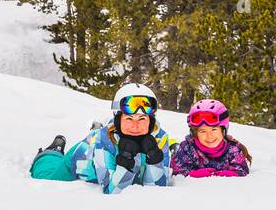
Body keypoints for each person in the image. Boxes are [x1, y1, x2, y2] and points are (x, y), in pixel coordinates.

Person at [28, 83, 173, 194]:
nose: (135, 126)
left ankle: (95, 128)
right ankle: (52, 152)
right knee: (47, 176)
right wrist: (126, 162)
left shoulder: (159, 139)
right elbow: (113, 191)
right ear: (117, 119)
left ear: (151, 121)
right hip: (81, 157)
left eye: (142, 119)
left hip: (97, 141)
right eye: (129, 118)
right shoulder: (104, 141)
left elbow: (156, 191)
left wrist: (155, 161)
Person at [170, 98, 251, 178]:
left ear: (223, 130)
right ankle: (174, 146)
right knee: (176, 151)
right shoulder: (187, 148)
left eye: (214, 129)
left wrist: (221, 174)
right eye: (202, 131)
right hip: (180, 152)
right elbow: (177, 171)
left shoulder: (233, 149)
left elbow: (242, 170)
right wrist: (193, 174)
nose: (209, 136)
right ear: (195, 133)